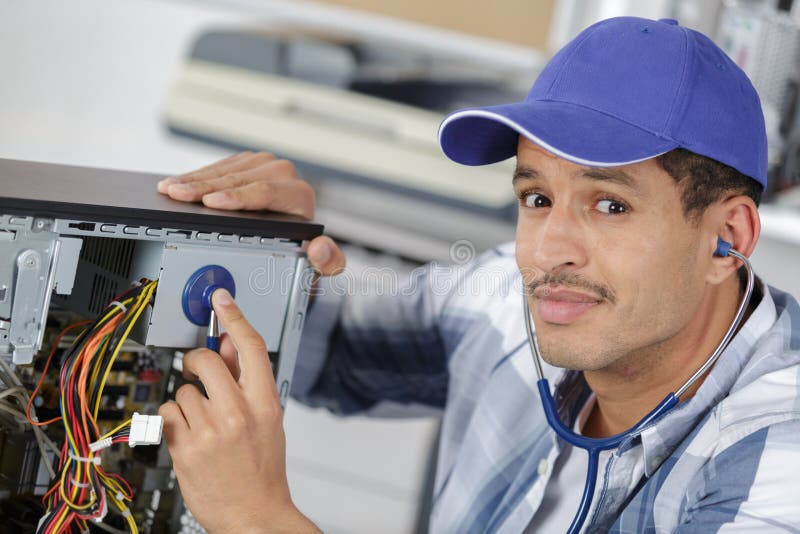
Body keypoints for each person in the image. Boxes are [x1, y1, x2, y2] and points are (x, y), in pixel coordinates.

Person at [156, 16, 800, 533]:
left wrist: (258, 521)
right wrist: (276, 256)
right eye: (537, 199)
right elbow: (340, 349)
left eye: (611, 205)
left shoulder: (776, 464)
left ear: (727, 239)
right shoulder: (506, 295)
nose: (549, 252)